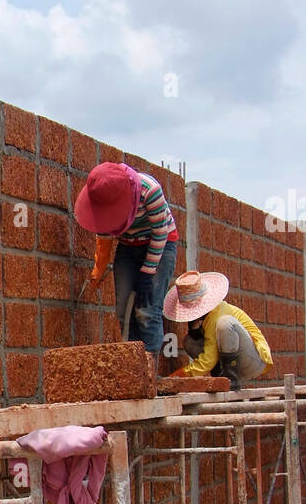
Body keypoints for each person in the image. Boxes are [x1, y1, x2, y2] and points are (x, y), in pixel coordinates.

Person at [75, 161, 178, 364]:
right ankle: (133, 369)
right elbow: (104, 238)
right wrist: (98, 269)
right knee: (125, 312)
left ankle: (148, 375)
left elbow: (160, 233)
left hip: (160, 245)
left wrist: (148, 274)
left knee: (146, 311)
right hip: (128, 247)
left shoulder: (150, 190)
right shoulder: (101, 197)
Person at [162, 270, 272, 389]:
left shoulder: (217, 316)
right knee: (190, 341)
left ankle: (231, 379)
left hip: (253, 361)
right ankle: (221, 377)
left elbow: (207, 361)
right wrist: (194, 327)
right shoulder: (208, 318)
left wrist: (175, 377)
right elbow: (208, 349)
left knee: (225, 323)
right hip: (231, 360)